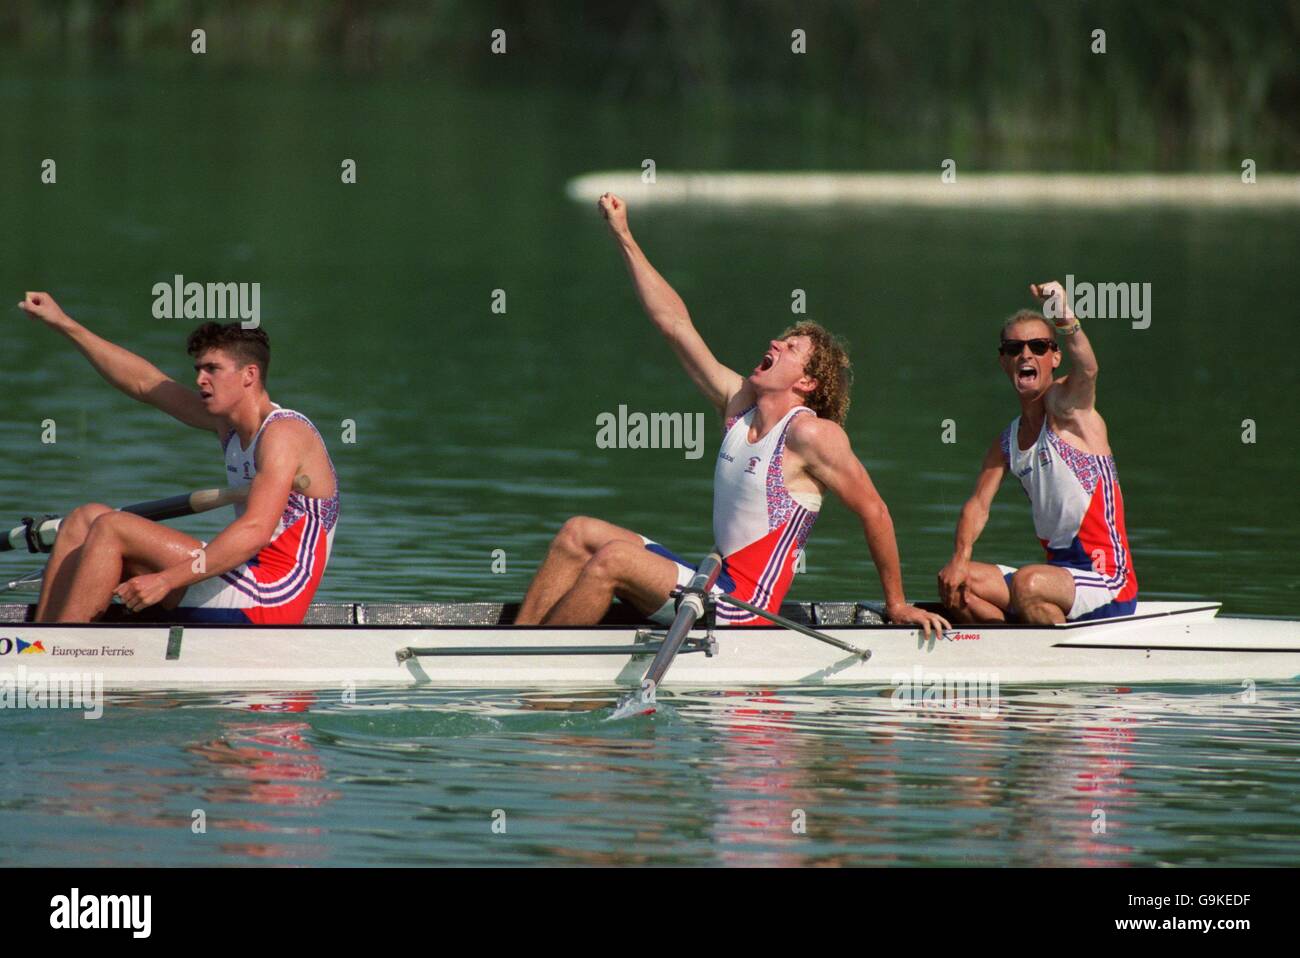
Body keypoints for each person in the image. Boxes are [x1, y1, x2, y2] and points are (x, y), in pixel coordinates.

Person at [516, 194, 948, 637]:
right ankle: (511, 647)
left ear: (807, 383)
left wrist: (896, 604)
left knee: (613, 560)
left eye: (791, 348)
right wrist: (624, 235)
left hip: (746, 607)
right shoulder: (739, 406)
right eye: (782, 340)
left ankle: (539, 668)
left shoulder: (812, 435)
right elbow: (674, 324)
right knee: (578, 533)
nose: (776, 345)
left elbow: (874, 511)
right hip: (711, 585)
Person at [16, 291, 339, 624]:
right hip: (239, 576)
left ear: (249, 375)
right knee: (84, 518)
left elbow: (255, 531)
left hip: (273, 594)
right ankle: (42, 640)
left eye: (212, 369)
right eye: (199, 369)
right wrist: (64, 323)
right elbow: (145, 383)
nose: (200, 379)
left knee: (113, 526)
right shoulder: (227, 426)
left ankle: (66, 651)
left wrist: (165, 580)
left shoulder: (283, 433)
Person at [936, 281, 1137, 624]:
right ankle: (1022, 642)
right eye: (1014, 348)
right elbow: (978, 505)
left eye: (1038, 346)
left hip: (1108, 582)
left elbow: (1088, 369)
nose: (1025, 355)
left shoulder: (1069, 409)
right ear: (1004, 361)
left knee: (1030, 581)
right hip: (1058, 578)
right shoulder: (1006, 442)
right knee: (957, 582)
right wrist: (959, 556)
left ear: (1055, 357)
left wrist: (1063, 314)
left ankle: (1038, 637)